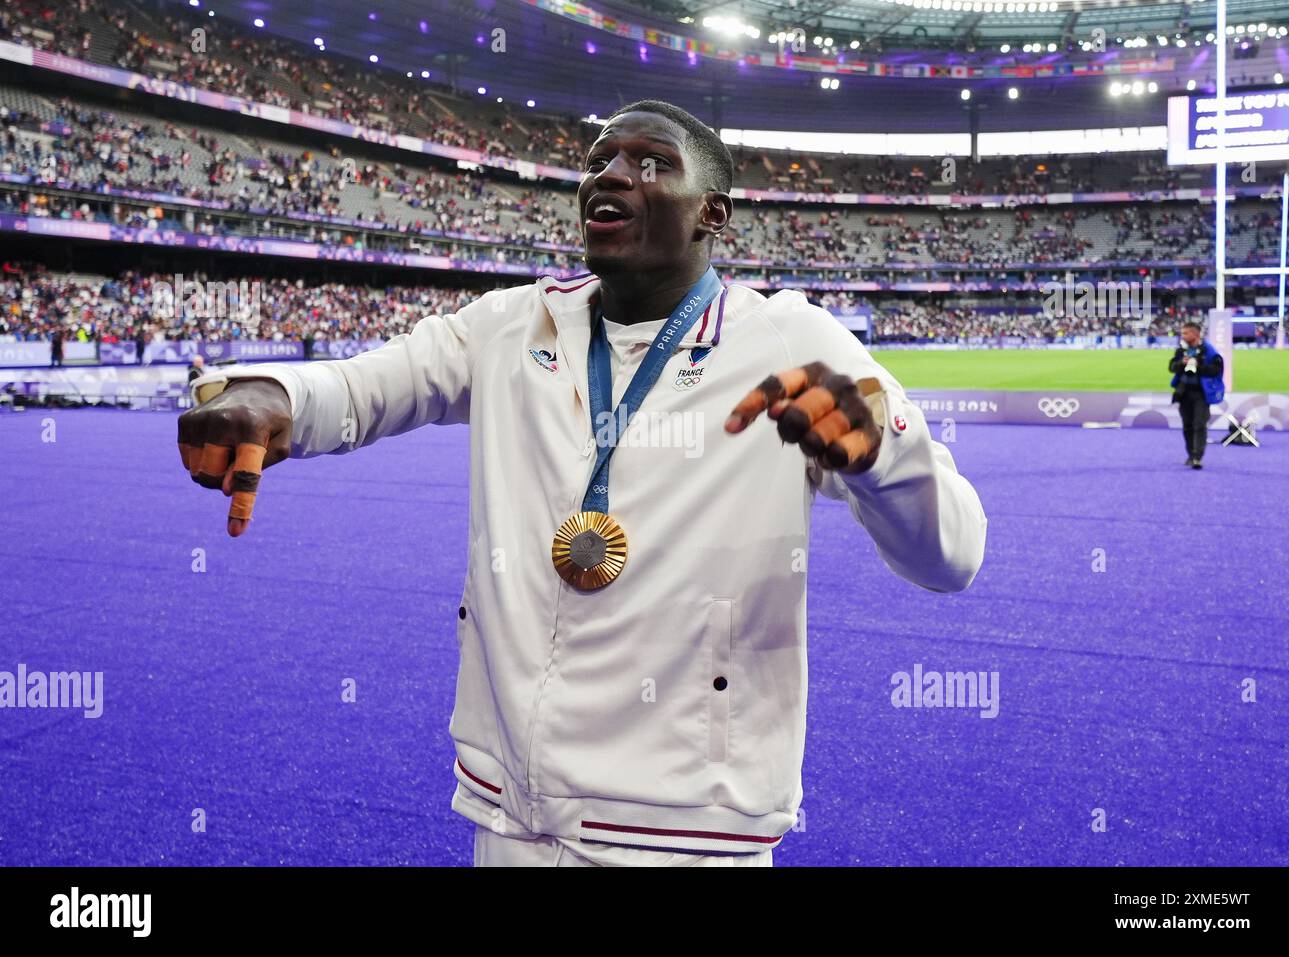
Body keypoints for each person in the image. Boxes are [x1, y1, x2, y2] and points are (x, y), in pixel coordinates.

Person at [178, 100, 987, 867]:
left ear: (713, 213)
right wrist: (273, 394)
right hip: (512, 812)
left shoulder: (791, 338)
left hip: (689, 827)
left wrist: (882, 457)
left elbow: (952, 554)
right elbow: (361, 389)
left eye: (651, 162)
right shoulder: (510, 325)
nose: (611, 173)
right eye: (599, 160)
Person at [1168, 320, 1224, 469]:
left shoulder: (1209, 351)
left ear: (1195, 334)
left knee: (1199, 424)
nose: (1182, 335)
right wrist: (1181, 363)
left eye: (1185, 333)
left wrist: (1199, 366)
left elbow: (1216, 370)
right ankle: (1190, 455)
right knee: (1187, 426)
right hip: (1184, 392)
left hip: (1201, 394)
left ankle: (1197, 457)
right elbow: (1171, 367)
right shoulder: (1181, 350)